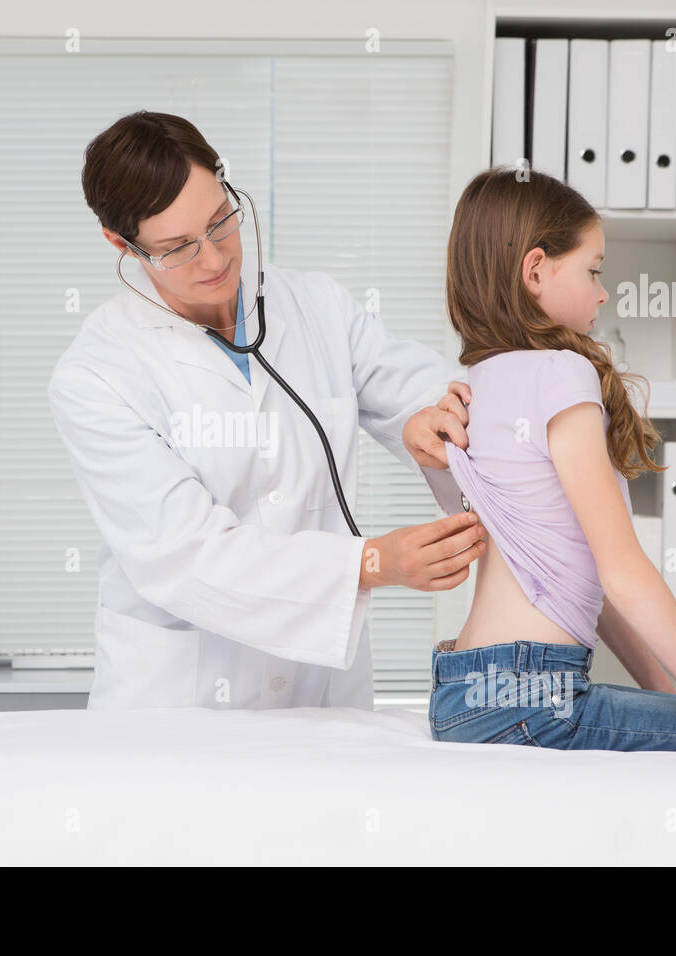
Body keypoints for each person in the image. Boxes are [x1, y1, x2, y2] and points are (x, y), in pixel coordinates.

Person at [48, 110, 486, 710]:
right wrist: (374, 563)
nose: (213, 259)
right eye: (177, 248)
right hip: (177, 711)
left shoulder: (316, 307)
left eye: (221, 220)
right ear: (122, 245)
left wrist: (427, 419)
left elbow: (427, 392)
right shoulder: (98, 374)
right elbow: (189, 555)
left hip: (319, 693)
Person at [428, 166, 676, 812]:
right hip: (533, 692)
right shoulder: (562, 372)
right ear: (536, 271)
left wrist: (673, 699)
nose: (604, 293)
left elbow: (581, 578)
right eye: (592, 270)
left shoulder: (480, 381)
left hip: (462, 691)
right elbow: (623, 571)